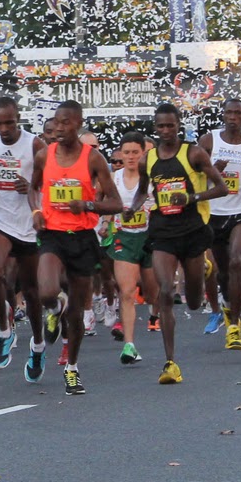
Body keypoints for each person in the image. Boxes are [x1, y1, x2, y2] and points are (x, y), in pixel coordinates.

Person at [29, 101, 120, 394]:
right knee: (45, 291)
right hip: (53, 234)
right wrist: (35, 212)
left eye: (66, 122)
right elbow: (33, 188)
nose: (59, 127)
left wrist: (87, 204)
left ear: (79, 124)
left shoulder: (93, 159)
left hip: (82, 237)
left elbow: (116, 203)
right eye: (56, 122)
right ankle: (56, 305)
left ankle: (72, 368)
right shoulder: (45, 155)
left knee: (77, 316)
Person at [140, 103, 230, 384]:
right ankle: (170, 363)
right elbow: (143, 191)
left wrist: (192, 198)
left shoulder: (193, 153)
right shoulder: (148, 159)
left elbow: (221, 188)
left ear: (179, 125)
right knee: (166, 291)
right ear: (154, 128)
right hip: (162, 232)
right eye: (160, 126)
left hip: (192, 231)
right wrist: (131, 207)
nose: (166, 131)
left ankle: (204, 269)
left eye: (170, 125)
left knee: (193, 302)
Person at [0, 94, 43, 375]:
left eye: (10, 123)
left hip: (27, 222)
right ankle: (5, 330)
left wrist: (30, 185)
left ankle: (38, 346)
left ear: (18, 119)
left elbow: (49, 178)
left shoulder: (34, 144)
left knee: (31, 292)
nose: (4, 129)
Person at [198, 98, 241, 351]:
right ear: (223, 115)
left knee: (238, 260)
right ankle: (229, 304)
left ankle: (234, 325)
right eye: (229, 112)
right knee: (223, 272)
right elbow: (196, 172)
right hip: (214, 213)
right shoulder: (209, 140)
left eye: (238, 113)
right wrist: (215, 169)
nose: (233, 117)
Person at [108, 132, 157, 364]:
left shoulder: (153, 178)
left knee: (153, 293)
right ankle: (129, 345)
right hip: (124, 239)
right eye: (126, 152)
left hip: (150, 238)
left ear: (143, 153)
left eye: (135, 152)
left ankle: (158, 319)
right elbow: (101, 201)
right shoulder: (113, 179)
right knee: (126, 292)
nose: (130, 157)